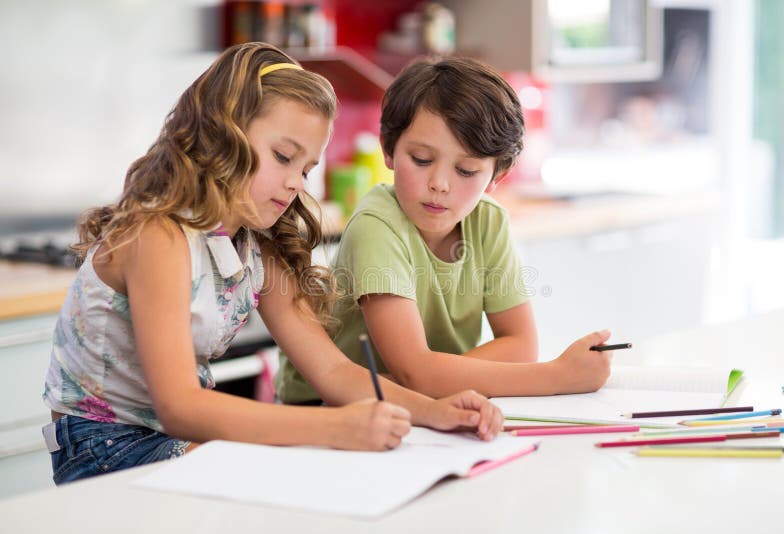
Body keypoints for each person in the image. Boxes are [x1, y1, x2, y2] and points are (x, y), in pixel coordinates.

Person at [41, 43, 503, 485]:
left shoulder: (257, 246)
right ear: (223, 132)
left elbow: (335, 372)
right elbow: (179, 406)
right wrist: (337, 428)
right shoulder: (159, 236)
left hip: (178, 438)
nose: (295, 185)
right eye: (283, 157)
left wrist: (434, 411)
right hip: (105, 447)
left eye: (306, 169)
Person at [276, 57, 613, 404]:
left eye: (466, 170)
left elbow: (521, 346)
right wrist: (557, 376)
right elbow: (415, 372)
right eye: (421, 160)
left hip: (414, 400)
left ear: (498, 174)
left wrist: (435, 378)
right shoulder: (376, 225)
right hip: (325, 404)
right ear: (388, 149)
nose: (439, 184)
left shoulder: (489, 221)